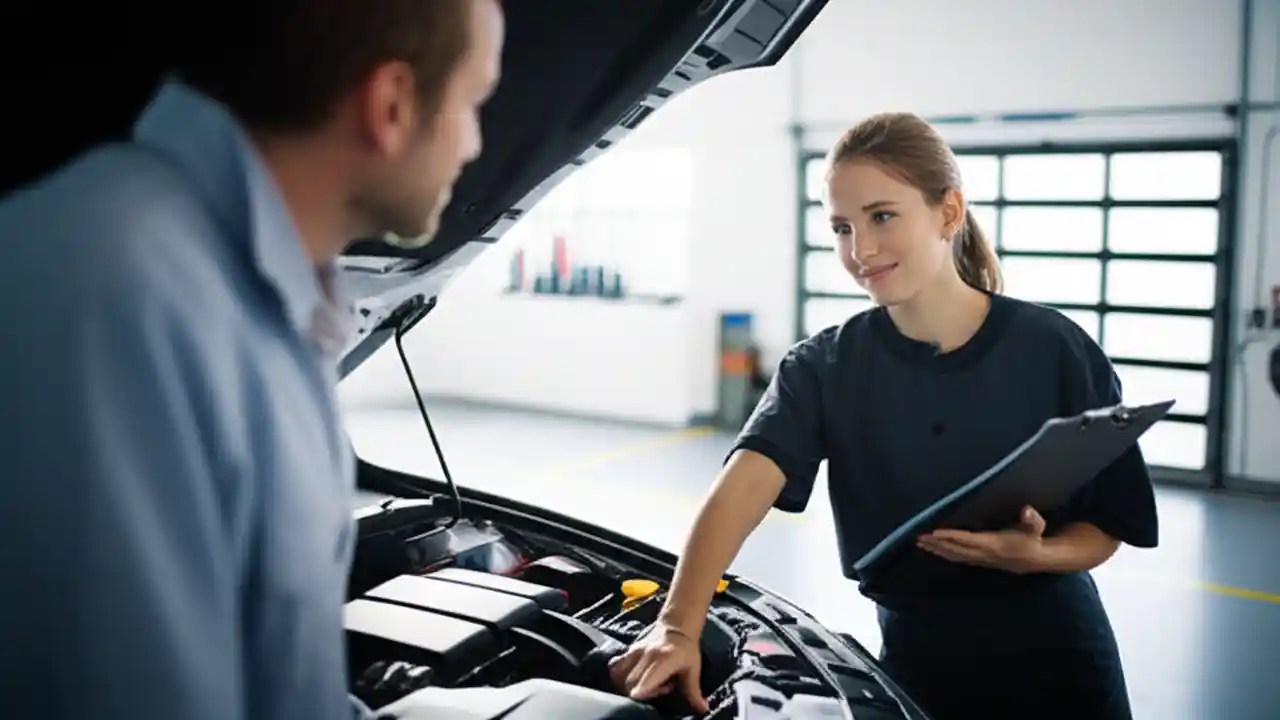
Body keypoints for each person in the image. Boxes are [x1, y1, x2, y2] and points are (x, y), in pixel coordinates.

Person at [0, 1, 502, 718]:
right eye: (473, 101)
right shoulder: (111, 290)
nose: (476, 143)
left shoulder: (260, 299)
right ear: (391, 104)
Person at [608, 112, 1158, 719]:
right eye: (842, 227)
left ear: (948, 211)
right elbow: (739, 492)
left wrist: (1035, 556)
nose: (859, 249)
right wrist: (678, 627)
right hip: (916, 669)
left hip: (1061, 666)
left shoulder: (1055, 347)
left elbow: (1106, 527)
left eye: (882, 216)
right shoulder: (822, 367)